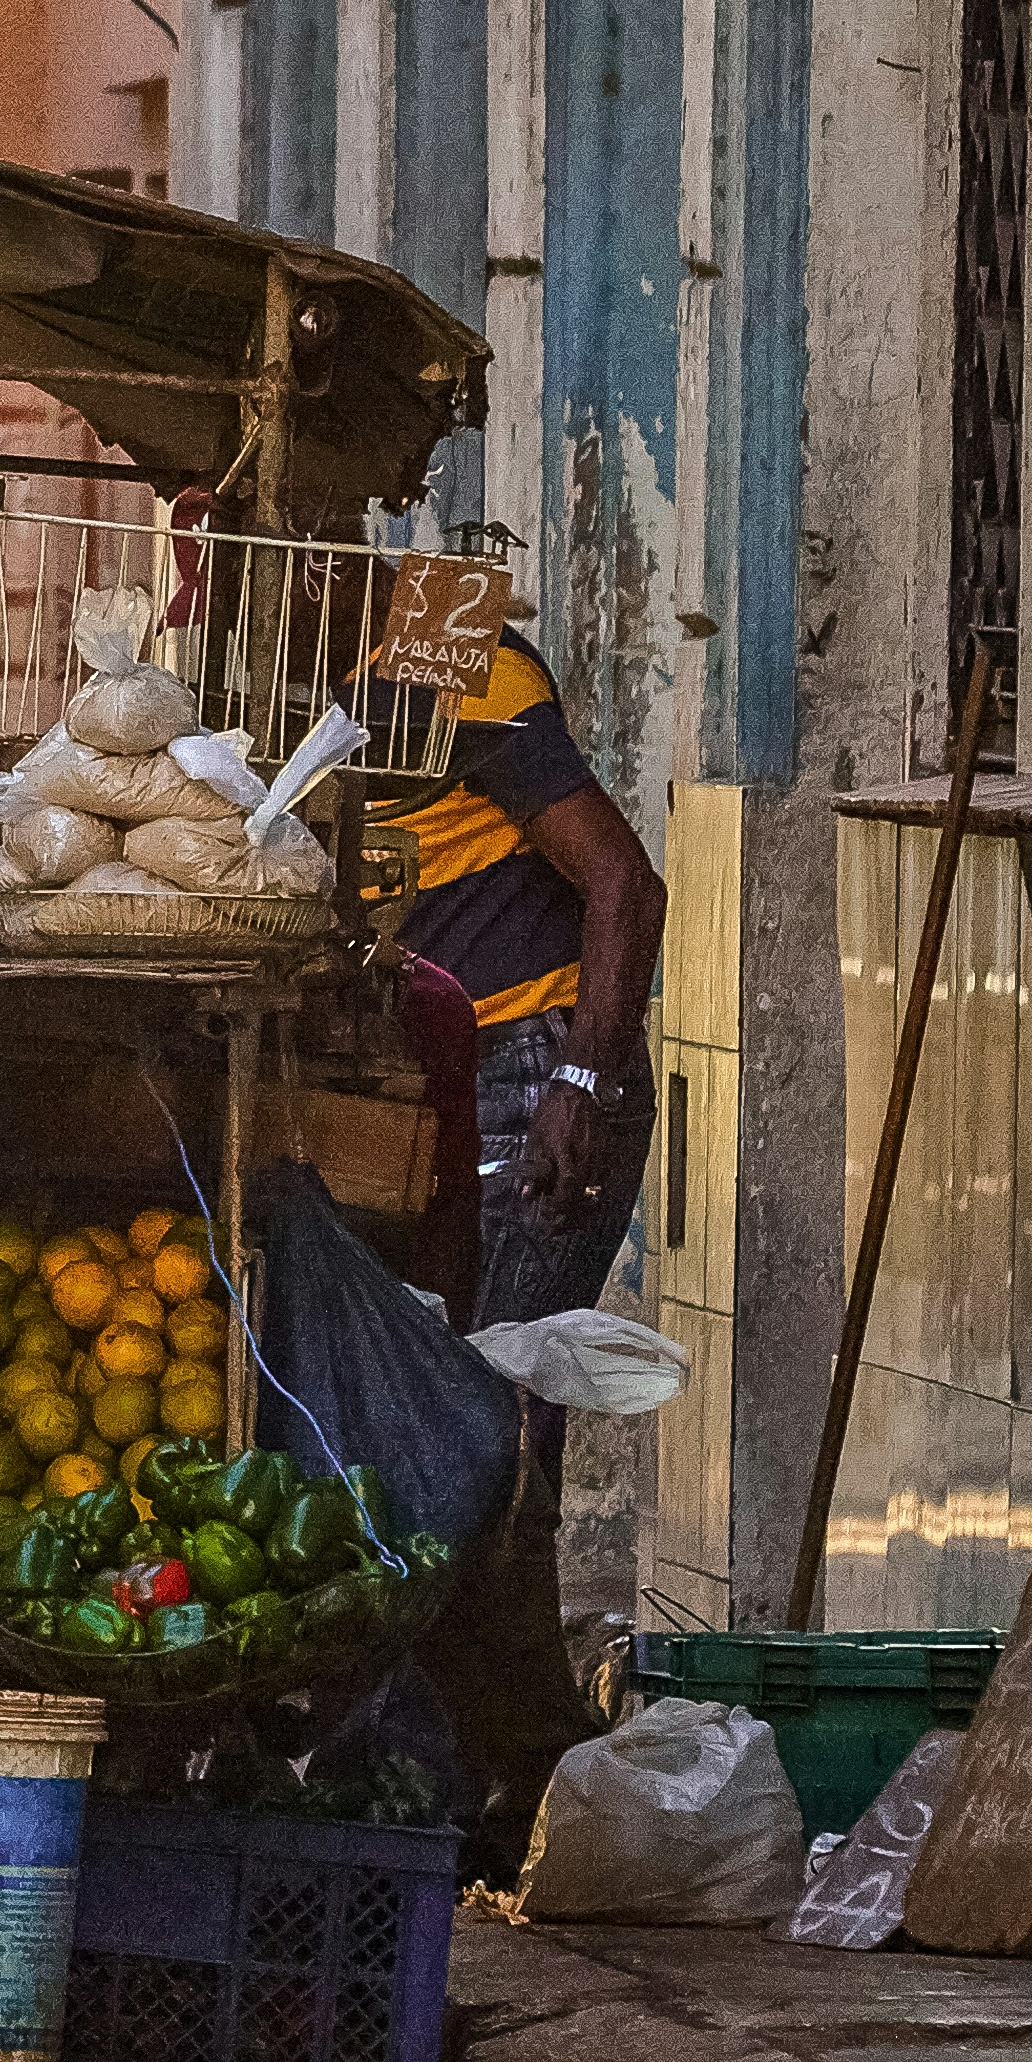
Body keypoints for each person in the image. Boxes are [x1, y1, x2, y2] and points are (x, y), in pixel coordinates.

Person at [395, 621, 668, 1861]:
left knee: (489, 1428)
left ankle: (491, 1778)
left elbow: (623, 880)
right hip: (435, 1082)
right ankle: (509, 1768)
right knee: (458, 1421)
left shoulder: (458, 662)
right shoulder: (266, 671)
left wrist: (582, 1077)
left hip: (533, 1075)